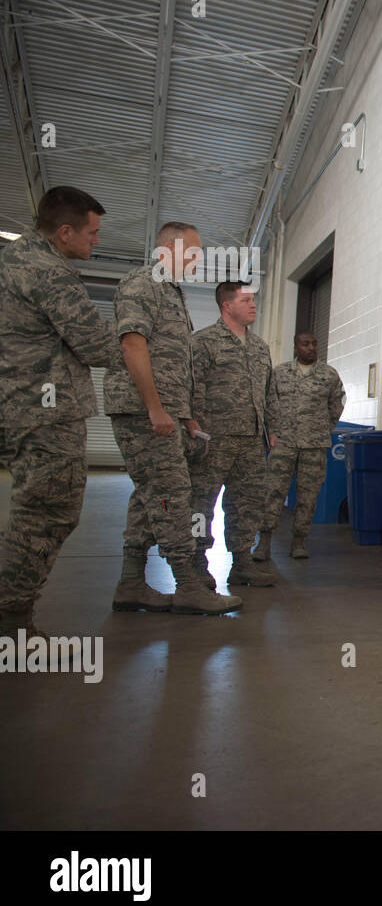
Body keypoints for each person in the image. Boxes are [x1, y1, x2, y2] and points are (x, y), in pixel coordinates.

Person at [104, 222, 240, 615]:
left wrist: (186, 417)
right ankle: (188, 586)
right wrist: (154, 408)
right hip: (142, 410)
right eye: (194, 251)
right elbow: (133, 344)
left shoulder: (172, 292)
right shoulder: (142, 283)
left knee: (150, 497)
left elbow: (175, 365)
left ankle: (130, 583)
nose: (198, 259)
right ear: (169, 247)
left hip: (165, 413)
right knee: (171, 496)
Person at [0, 187, 118, 635]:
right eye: (92, 233)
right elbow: (97, 344)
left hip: (15, 408)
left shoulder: (11, 260)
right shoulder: (51, 272)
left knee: (27, 510)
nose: (96, 241)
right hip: (45, 415)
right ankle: (12, 627)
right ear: (65, 231)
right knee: (46, 515)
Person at [189, 281, 277, 587]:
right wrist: (196, 431)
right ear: (227, 306)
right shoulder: (203, 342)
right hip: (214, 441)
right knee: (201, 503)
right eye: (246, 300)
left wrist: (271, 430)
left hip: (252, 441)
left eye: (254, 300)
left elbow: (269, 393)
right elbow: (192, 389)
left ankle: (241, 562)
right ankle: (196, 562)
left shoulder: (259, 347)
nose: (253, 305)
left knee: (247, 503)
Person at [255, 330, 345, 560]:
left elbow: (337, 405)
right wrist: (272, 432)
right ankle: (264, 542)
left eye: (314, 344)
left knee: (308, 496)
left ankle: (299, 541)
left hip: (314, 445)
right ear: (296, 347)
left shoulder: (329, 375)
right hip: (283, 443)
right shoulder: (280, 373)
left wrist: (323, 429)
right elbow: (268, 404)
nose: (311, 347)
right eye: (305, 344)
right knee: (273, 491)